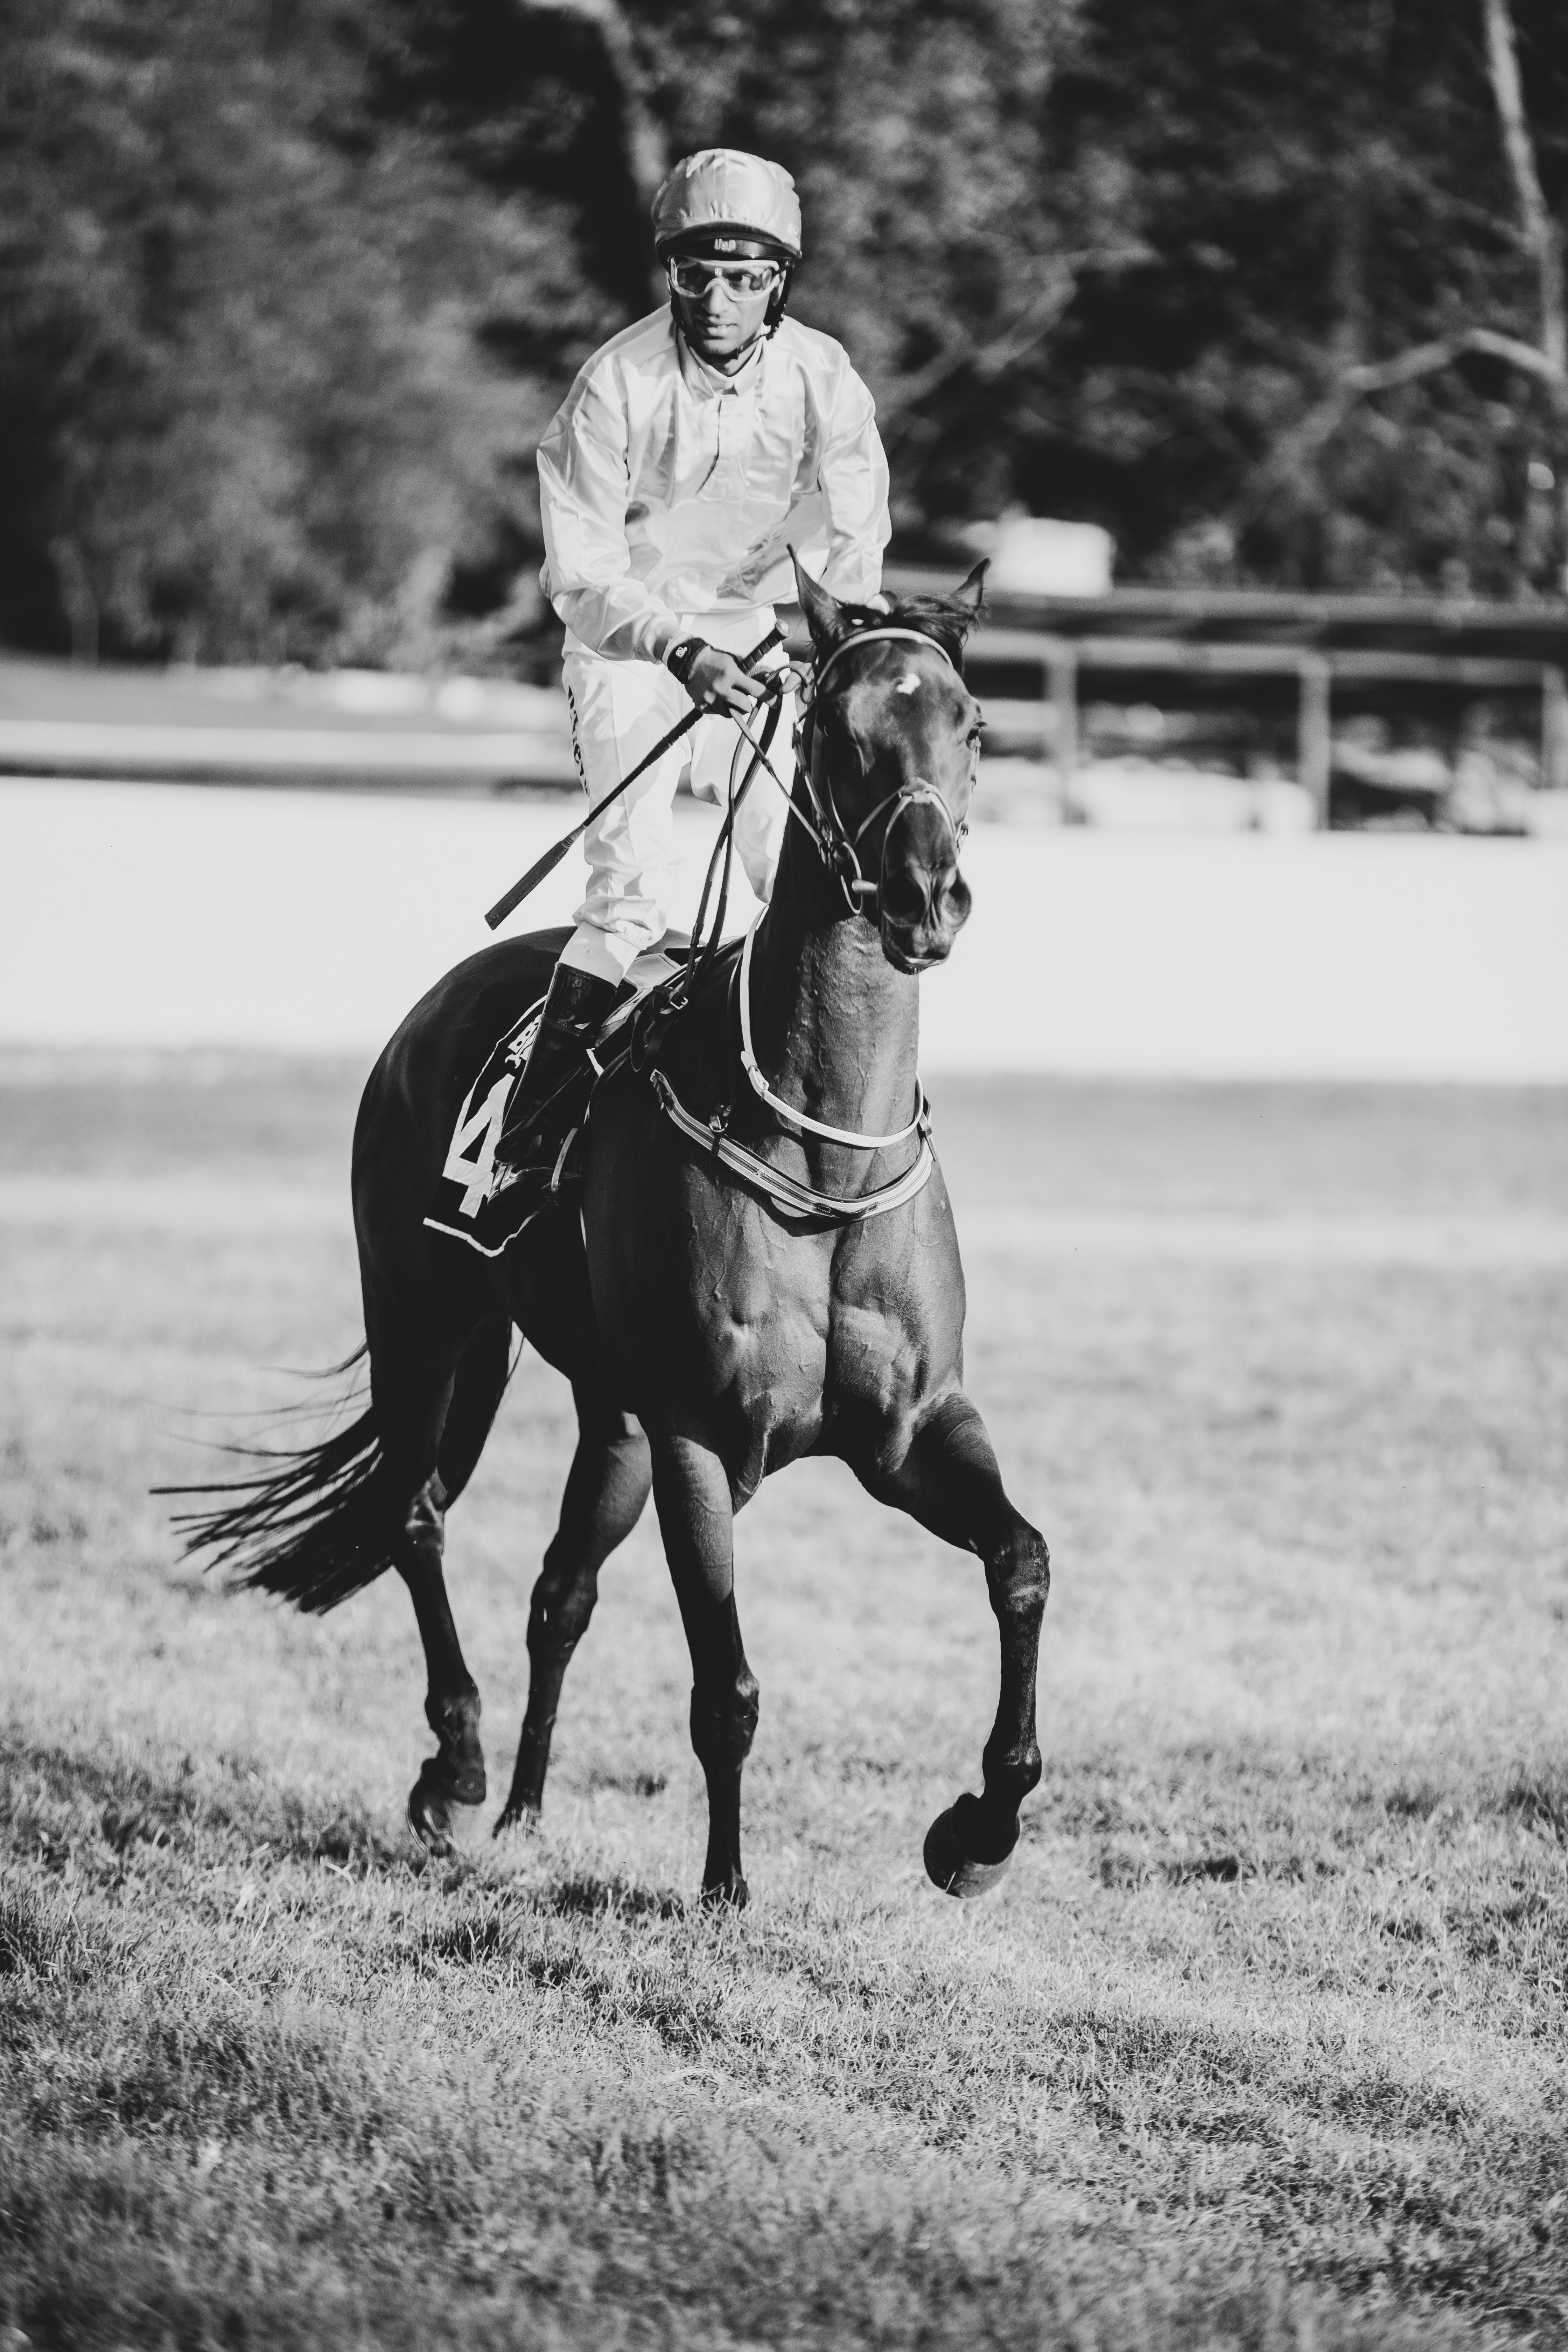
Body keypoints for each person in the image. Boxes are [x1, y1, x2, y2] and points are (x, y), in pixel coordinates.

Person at [496, 146, 891, 1170]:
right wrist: (676, 648)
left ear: (780, 284)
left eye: (746, 277)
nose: (719, 300)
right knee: (629, 897)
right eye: (696, 273)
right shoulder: (612, 384)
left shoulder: (825, 378)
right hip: (631, 646)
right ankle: (516, 1153)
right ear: (669, 272)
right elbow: (580, 572)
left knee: (799, 876)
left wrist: (829, 650)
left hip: (761, 643)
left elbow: (854, 547)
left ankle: (832, 1124)